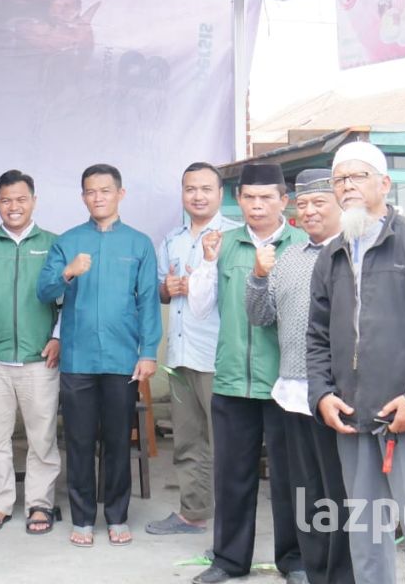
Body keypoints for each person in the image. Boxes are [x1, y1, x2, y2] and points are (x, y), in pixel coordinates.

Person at [306, 141, 405, 584]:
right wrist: (322, 395)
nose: (347, 186)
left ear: (384, 184)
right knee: (366, 537)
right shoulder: (332, 255)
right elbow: (316, 336)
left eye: (358, 176)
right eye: (339, 179)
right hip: (353, 417)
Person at [186, 163, 305, 584]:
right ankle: (229, 560)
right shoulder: (222, 243)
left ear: (283, 201)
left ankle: (295, 559)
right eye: (249, 197)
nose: (257, 205)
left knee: (291, 476)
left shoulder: (302, 245)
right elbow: (200, 308)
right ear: (238, 200)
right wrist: (207, 262)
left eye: (266, 197)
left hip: (287, 382)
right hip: (233, 377)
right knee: (233, 475)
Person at [37, 163, 161, 549]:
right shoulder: (68, 241)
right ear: (83, 197)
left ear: (120, 194)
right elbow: (43, 291)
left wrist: (148, 352)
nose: (98, 198)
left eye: (105, 191)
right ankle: (83, 518)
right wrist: (68, 273)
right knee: (78, 441)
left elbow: (148, 303)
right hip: (78, 358)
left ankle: (117, 515)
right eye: (90, 191)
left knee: (118, 440)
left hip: (122, 359)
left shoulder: (139, 244)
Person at [241, 169, 354, 584]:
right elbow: (259, 317)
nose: (309, 211)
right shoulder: (289, 258)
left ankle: (344, 573)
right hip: (292, 392)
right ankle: (314, 568)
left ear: (342, 204)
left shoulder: (355, 255)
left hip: (341, 395)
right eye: (303, 204)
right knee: (304, 490)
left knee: (340, 491)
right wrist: (258, 275)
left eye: (319, 202)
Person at [0, 169, 62, 536]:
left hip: (39, 359)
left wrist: (58, 338)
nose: (13, 206)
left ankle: (40, 504)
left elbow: (68, 300)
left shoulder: (54, 245)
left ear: (33, 201)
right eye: (6, 200)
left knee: (42, 437)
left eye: (21, 199)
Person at [147, 162, 238, 537]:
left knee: (226, 445)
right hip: (180, 355)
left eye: (205, 189)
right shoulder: (172, 239)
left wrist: (198, 284)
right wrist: (167, 289)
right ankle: (193, 513)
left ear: (220, 194)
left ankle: (233, 526)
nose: (197, 196)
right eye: (190, 189)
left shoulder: (235, 236)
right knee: (188, 440)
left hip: (218, 356)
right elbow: (160, 292)